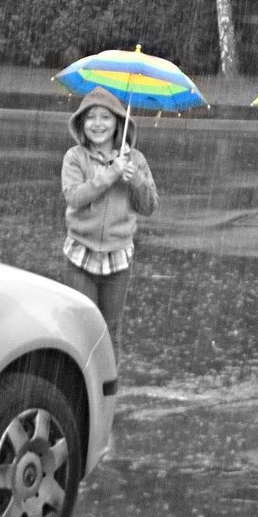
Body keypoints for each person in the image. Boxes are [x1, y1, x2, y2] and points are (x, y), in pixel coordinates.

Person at [61, 86, 158, 364]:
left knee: (109, 330)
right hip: (80, 255)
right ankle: (78, 388)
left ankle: (106, 389)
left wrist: (135, 178)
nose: (98, 124)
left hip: (118, 259)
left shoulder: (136, 160)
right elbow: (74, 197)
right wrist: (107, 176)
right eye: (91, 117)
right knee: (82, 328)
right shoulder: (75, 157)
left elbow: (149, 206)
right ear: (81, 123)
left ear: (118, 121)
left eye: (106, 117)